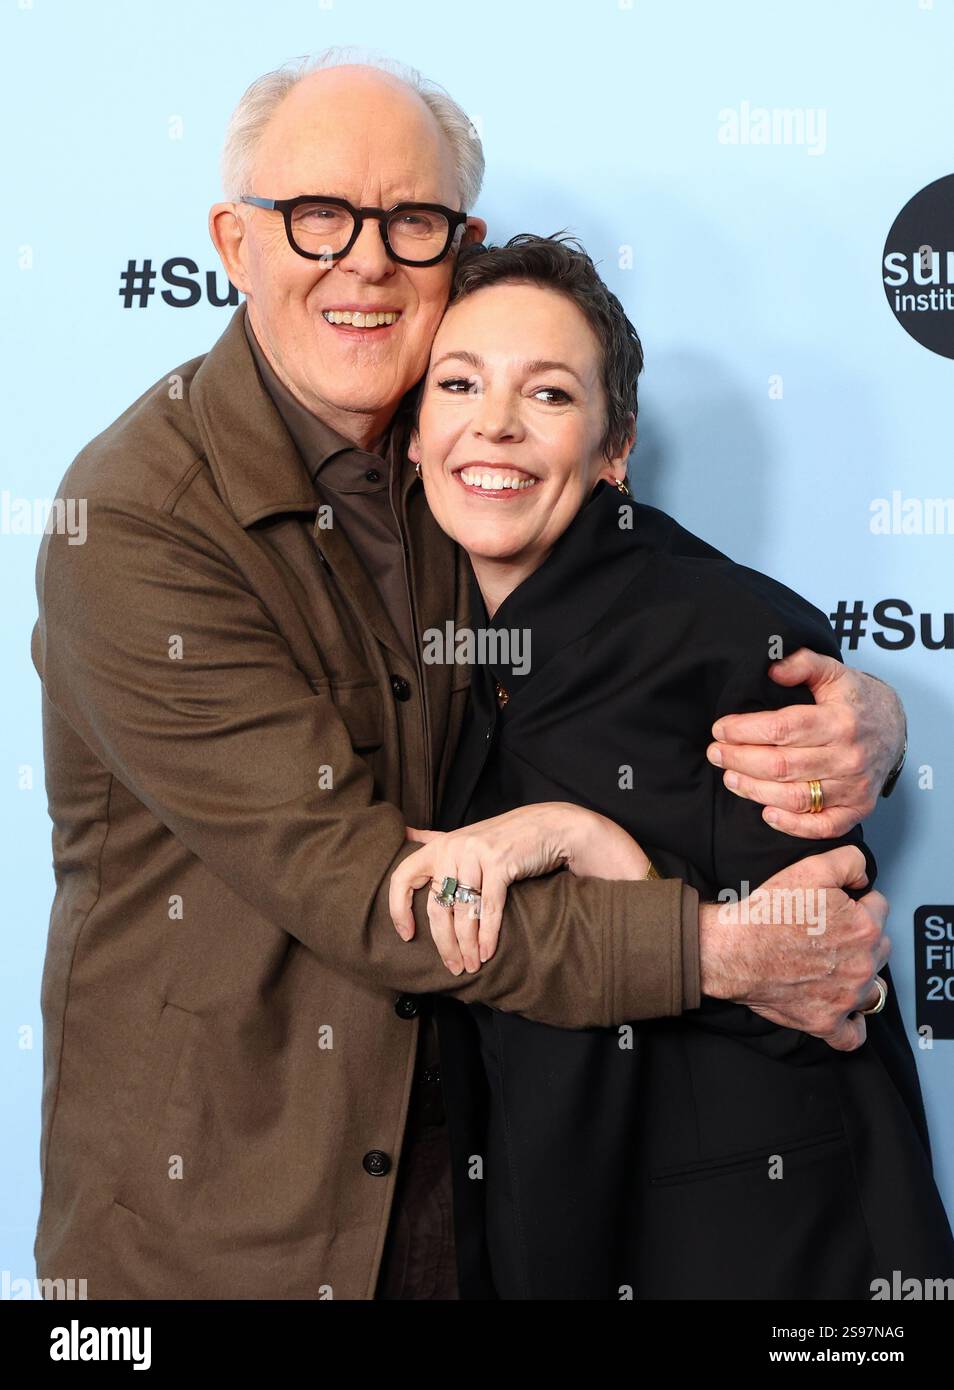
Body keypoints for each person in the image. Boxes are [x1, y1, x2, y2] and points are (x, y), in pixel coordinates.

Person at [31, 53, 904, 1301]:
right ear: (234, 240)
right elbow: (373, 889)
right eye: (317, 216)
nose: (367, 261)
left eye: (413, 222)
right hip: (221, 1230)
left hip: (473, 1198)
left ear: (460, 245)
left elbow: (659, 597)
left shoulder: (455, 454)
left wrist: (848, 706)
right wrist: (720, 950)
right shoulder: (135, 523)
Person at [392, 233, 954, 1299]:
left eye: (549, 393)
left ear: (616, 446)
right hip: (541, 1211)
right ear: (416, 434)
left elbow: (822, 966)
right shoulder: (417, 640)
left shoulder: (725, 631)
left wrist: (587, 841)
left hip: (766, 1240)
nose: (495, 423)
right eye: (458, 383)